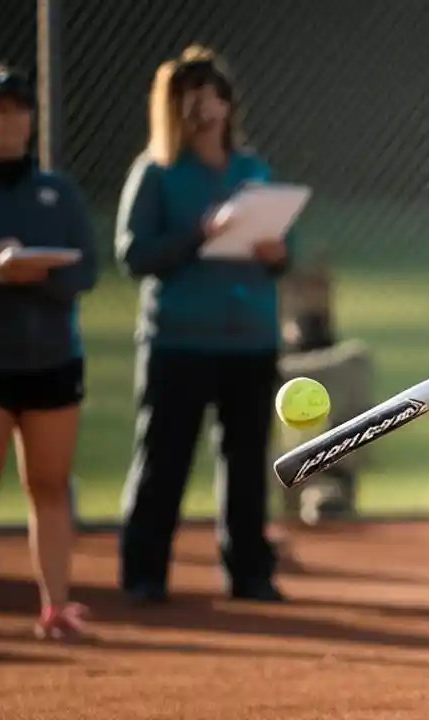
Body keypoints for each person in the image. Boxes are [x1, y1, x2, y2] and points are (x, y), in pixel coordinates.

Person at [116, 45, 295, 604]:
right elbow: (133, 254)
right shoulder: (157, 173)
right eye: (192, 94)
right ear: (172, 106)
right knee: (163, 460)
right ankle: (144, 574)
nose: (206, 103)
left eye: (215, 91)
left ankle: (249, 571)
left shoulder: (251, 169)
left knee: (246, 464)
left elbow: (287, 252)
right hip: (180, 340)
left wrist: (273, 251)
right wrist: (200, 234)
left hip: (250, 339)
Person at [0, 64, 99, 647]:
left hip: (53, 357)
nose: (7, 120)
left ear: (31, 119)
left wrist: (35, 274)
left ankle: (55, 607)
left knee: (50, 486)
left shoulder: (57, 191)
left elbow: (84, 270)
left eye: (17, 109)